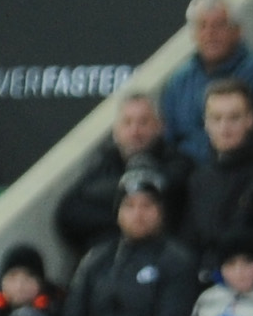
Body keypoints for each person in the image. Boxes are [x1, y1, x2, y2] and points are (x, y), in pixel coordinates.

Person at [59, 167, 201, 316]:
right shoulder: (96, 259)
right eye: (130, 205)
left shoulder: (178, 261)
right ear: (118, 212)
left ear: (161, 211)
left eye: (147, 205)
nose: (138, 214)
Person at [55, 92, 190, 254]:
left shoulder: (179, 163)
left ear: (160, 126)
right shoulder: (103, 163)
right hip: (106, 259)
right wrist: (124, 219)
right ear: (116, 130)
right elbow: (69, 212)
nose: (135, 131)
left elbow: (171, 200)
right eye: (127, 123)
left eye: (143, 122)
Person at [161, 0, 253, 166]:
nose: (210, 34)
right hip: (189, 174)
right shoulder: (178, 82)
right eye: (202, 26)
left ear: (237, 31)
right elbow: (169, 141)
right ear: (192, 34)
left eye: (219, 25)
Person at [179, 81, 253, 271]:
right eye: (216, 118)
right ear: (206, 123)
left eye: (234, 118)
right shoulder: (198, 179)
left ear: (251, 119)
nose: (225, 128)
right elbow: (189, 243)